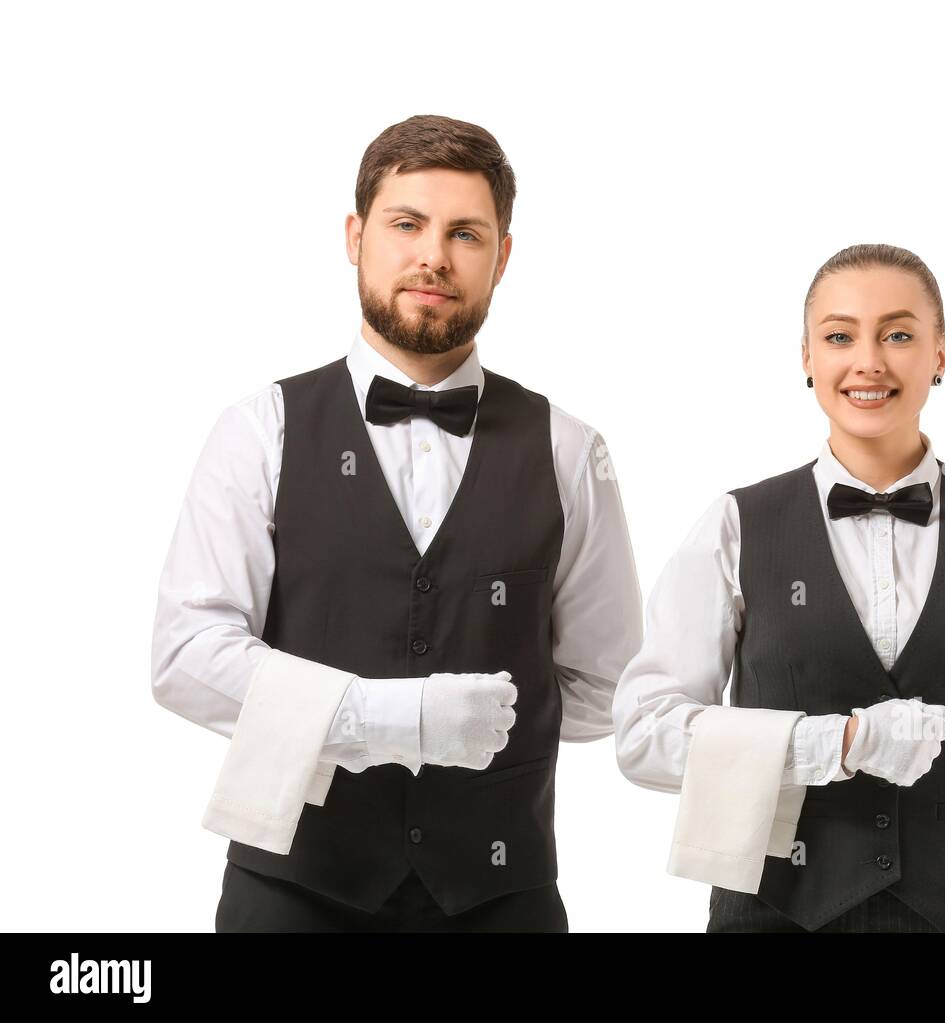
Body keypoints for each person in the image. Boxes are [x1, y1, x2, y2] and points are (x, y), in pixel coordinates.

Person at [152, 114, 643, 932]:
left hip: (501, 897)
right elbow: (185, 654)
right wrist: (387, 719)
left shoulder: (569, 448)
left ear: (503, 257)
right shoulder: (259, 429)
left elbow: (606, 685)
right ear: (355, 236)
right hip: (290, 894)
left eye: (465, 234)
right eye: (406, 224)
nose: (434, 257)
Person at [612, 243, 945, 933]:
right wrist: (838, 746)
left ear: (940, 354)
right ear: (807, 357)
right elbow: (644, 734)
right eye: (840, 335)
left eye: (900, 335)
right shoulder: (736, 525)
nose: (869, 361)